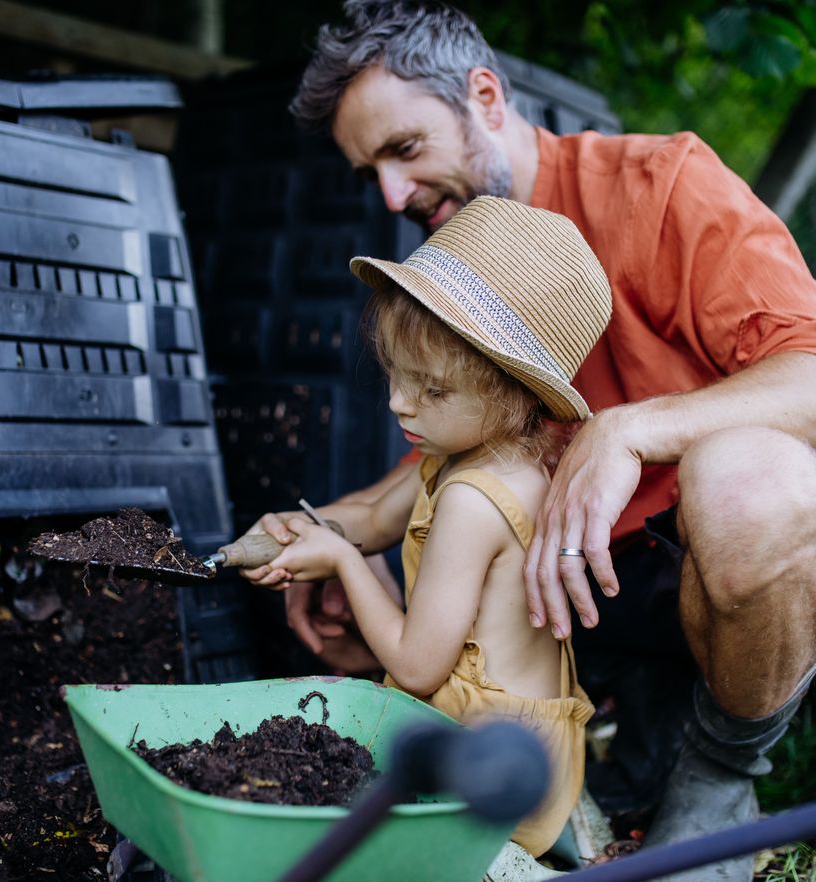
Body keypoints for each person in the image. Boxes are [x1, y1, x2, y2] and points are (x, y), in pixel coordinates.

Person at [246, 3, 816, 881]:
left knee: (739, 480)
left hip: (776, 565)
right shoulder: (468, 257)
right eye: (372, 174)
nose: (393, 197)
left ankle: (721, 775)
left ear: (484, 96)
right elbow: (426, 472)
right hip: (606, 590)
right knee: (473, 536)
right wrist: (317, 536)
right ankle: (615, 754)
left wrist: (629, 430)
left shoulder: (660, 186)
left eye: (404, 149)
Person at [248, 196, 606, 880]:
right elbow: (376, 518)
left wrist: (342, 561)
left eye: (432, 391)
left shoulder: (473, 500)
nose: (397, 403)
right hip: (529, 753)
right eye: (395, 373)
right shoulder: (495, 457)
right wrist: (303, 530)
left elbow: (416, 668)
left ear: (514, 392)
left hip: (483, 772)